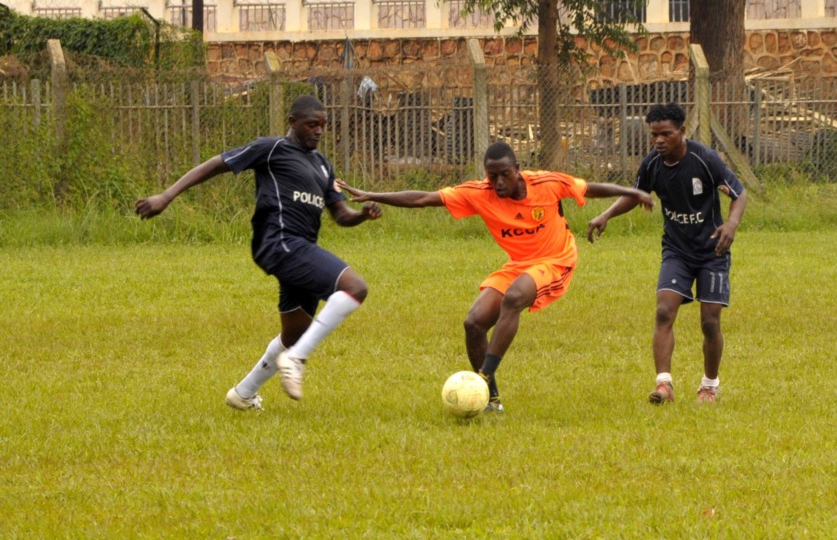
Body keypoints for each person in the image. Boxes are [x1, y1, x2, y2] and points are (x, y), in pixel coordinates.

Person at [339, 141, 653, 413]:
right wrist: (374, 194)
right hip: (519, 265)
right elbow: (424, 198)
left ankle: (483, 378)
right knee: (473, 322)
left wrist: (632, 191)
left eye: (505, 173)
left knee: (514, 297)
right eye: (492, 176)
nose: (499, 182)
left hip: (556, 260)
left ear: (518, 168)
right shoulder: (479, 193)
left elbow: (589, 188)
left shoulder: (546, 183)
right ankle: (491, 400)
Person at [135, 94, 382, 410]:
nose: (319, 131)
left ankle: (243, 393)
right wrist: (166, 196)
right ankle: (296, 360)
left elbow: (341, 215)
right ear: (292, 123)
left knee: (294, 333)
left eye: (323, 125)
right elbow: (216, 164)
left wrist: (362, 215)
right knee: (355, 288)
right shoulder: (272, 149)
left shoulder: (322, 165)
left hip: (300, 249)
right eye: (312, 124)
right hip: (279, 241)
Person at [587, 103, 746, 405]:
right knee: (663, 311)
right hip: (676, 251)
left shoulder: (704, 159)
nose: (659, 140)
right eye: (654, 135)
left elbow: (738, 193)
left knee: (710, 321)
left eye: (666, 134)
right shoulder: (652, 164)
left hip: (713, 250)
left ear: (682, 132)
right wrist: (606, 214)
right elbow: (635, 195)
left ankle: (709, 387)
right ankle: (664, 386)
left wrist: (731, 225)